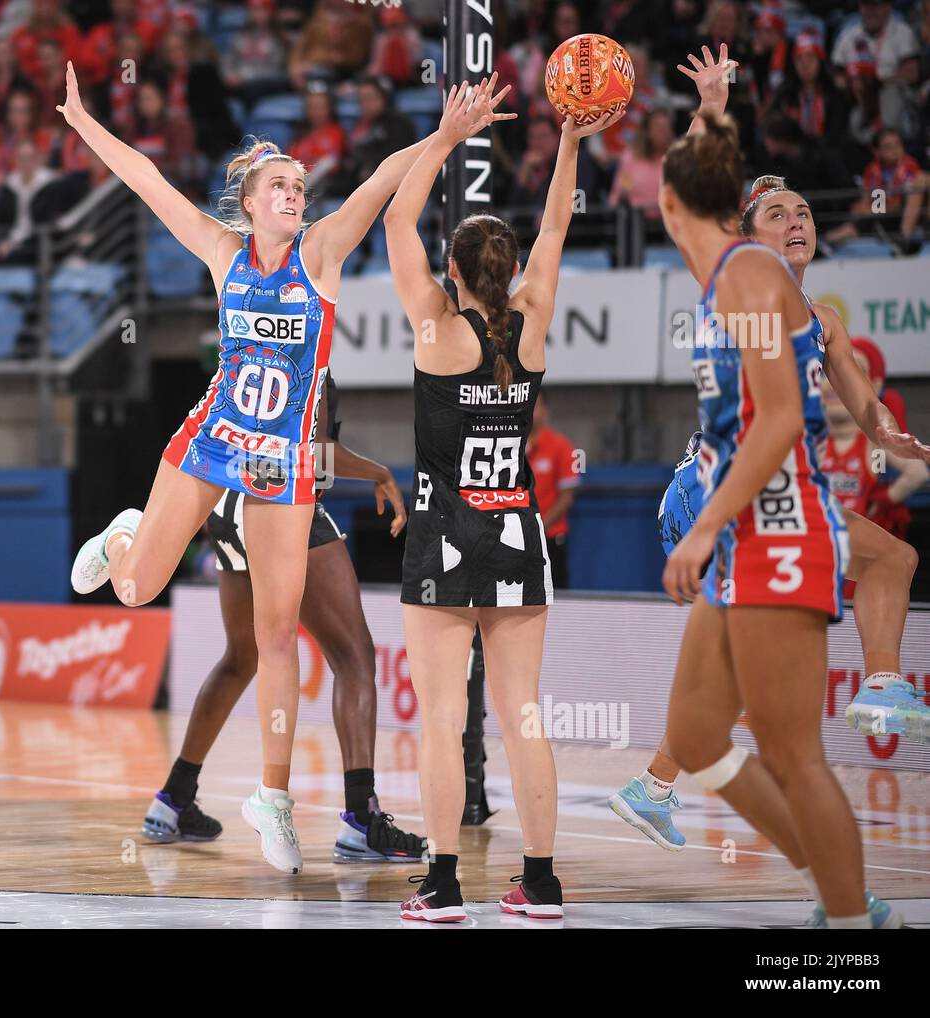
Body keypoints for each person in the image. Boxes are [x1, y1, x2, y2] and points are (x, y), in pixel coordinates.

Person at [59, 58, 445, 875]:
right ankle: (125, 536)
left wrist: (445, 133)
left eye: (300, 185)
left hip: (285, 464)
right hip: (211, 440)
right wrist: (85, 123)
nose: (295, 193)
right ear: (249, 200)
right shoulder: (219, 248)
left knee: (276, 637)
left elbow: (380, 180)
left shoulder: (322, 252)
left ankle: (273, 797)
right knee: (135, 589)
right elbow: (146, 179)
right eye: (280, 185)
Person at [386, 75, 621, 923]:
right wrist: (571, 140)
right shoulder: (535, 321)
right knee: (524, 714)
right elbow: (557, 226)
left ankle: (444, 884)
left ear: (451, 270)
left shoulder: (435, 329)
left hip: (444, 534)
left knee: (444, 720)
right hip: (518, 531)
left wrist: (447, 137)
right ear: (513, 270)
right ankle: (542, 883)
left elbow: (396, 223)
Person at [658, 100, 881, 929]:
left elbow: (781, 418)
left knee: (794, 755)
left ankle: (853, 927)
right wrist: (711, 112)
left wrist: (705, 525)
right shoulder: (723, 273)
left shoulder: (750, 273)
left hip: (780, 524)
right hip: (745, 529)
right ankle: (837, 886)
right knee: (696, 735)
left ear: (672, 205)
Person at [142, 374, 426, 862]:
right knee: (354, 657)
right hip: (278, 502)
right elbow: (317, 453)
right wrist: (378, 471)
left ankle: (173, 798)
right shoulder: (310, 356)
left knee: (241, 658)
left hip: (225, 505)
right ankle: (361, 818)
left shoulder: (244, 353)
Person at [526, 394, 579, 590]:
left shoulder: (561, 446)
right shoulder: (510, 447)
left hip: (550, 539)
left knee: (555, 595)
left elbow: (567, 498)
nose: (529, 411)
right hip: (516, 540)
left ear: (545, 410)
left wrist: (538, 528)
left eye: (535, 405)